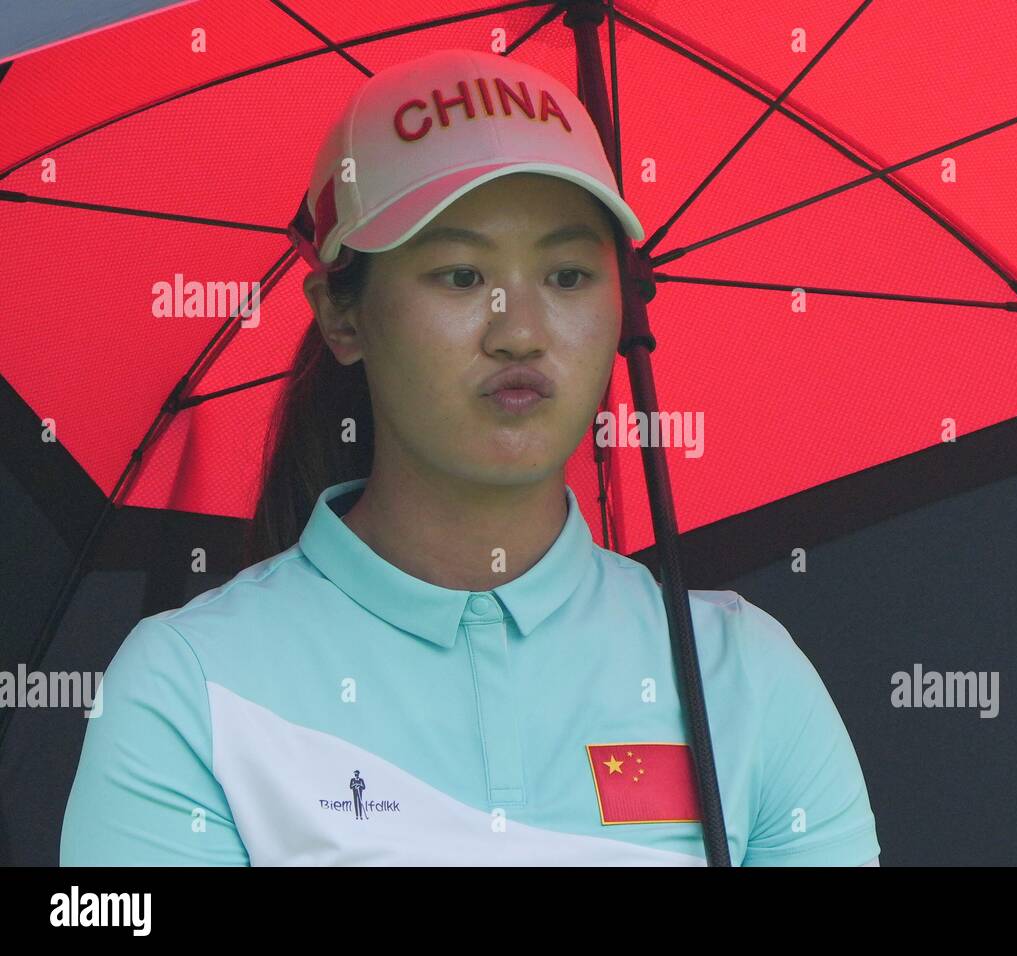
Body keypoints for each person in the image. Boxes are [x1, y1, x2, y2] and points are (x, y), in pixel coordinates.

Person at [59, 48, 881, 866]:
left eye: (566, 275)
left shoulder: (742, 678)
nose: (518, 329)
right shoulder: (187, 689)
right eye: (459, 275)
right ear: (342, 316)